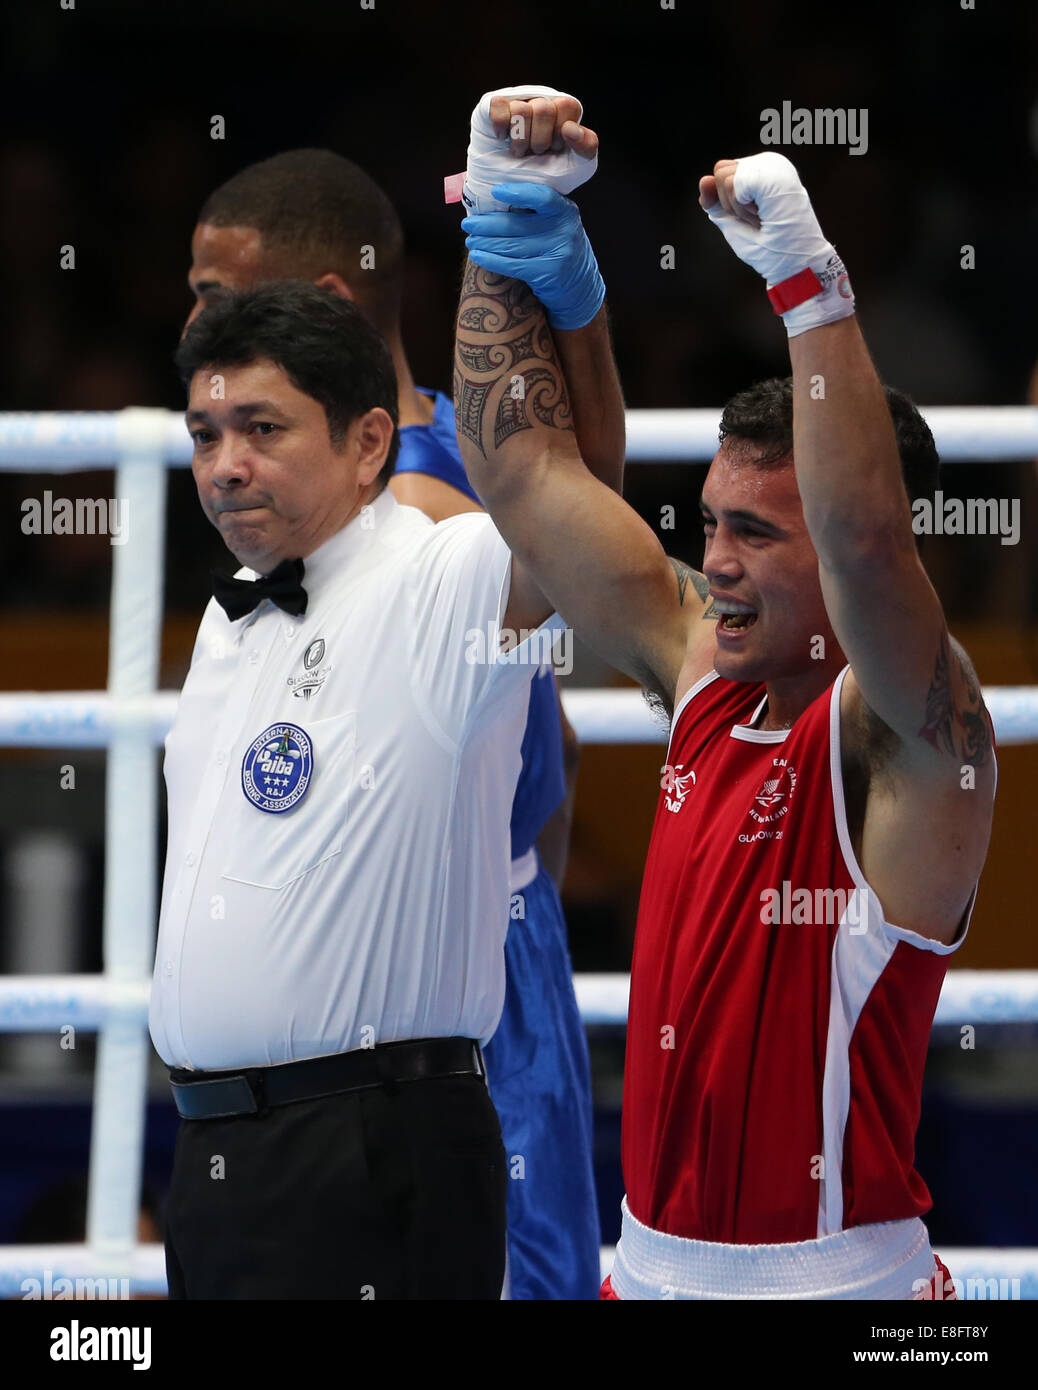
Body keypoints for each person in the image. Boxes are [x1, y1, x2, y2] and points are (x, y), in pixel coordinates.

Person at [452, 101, 997, 1299]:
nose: (724, 562)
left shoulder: (912, 728)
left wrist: (809, 285)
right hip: (648, 1270)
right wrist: (501, 218)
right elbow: (523, 476)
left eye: (757, 532)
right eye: (714, 526)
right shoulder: (700, 656)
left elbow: (861, 541)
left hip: (846, 1286)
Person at [181, 137, 622, 1298]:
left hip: (423, 1025)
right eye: (206, 434)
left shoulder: (424, 521)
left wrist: (535, 260)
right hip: (260, 1119)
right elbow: (556, 748)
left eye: (221, 299)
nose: (227, 458)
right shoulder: (244, 599)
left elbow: (581, 523)